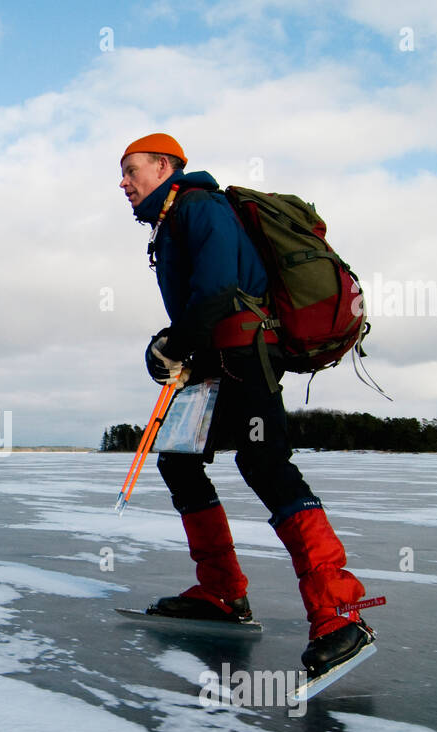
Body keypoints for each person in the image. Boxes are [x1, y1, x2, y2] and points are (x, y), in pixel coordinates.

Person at [119, 133, 372, 676]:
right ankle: (221, 594)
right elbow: (204, 300)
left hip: (244, 355)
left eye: (130, 170)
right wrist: (176, 344)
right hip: (213, 361)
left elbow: (218, 289)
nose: (123, 182)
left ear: (164, 166)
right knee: (179, 462)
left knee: (264, 463)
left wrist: (171, 343)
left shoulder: (200, 206)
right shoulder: (173, 217)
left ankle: (339, 613)